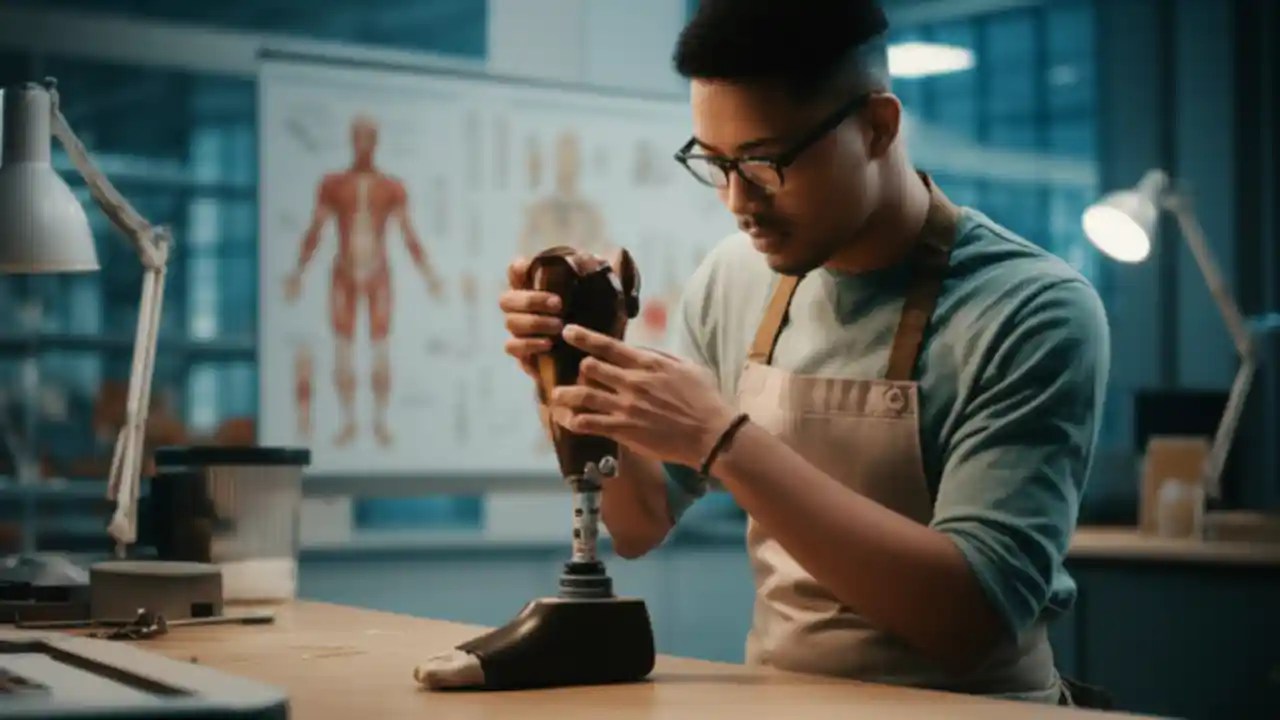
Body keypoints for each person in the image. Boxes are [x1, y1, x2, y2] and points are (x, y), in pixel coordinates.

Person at [498, 0, 1110, 707]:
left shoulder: (1030, 309)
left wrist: (723, 440)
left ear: (878, 127)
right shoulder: (734, 279)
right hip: (784, 700)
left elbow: (972, 619)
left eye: (762, 163)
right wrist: (564, 375)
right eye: (715, 162)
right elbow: (636, 524)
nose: (736, 200)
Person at [285, 114, 443, 448]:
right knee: (343, 348)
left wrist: (429, 275)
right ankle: (348, 422)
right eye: (358, 136)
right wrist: (298, 272)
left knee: (380, 347)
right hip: (344, 271)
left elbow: (407, 233)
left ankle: (380, 421)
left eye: (369, 136)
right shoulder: (333, 185)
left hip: (377, 273)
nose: (363, 143)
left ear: (377, 141)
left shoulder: (391, 188)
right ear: (351, 139)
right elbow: (316, 229)